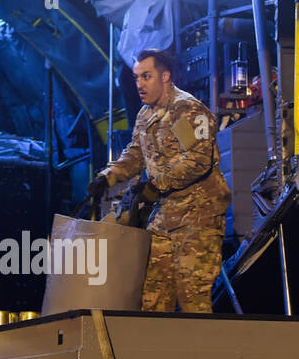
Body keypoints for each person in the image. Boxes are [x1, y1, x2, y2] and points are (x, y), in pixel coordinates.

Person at [87, 49, 231, 312]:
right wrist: (107, 177)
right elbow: (135, 154)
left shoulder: (184, 110)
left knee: (193, 301)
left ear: (165, 77)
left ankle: (199, 353)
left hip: (197, 218)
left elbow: (198, 159)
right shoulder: (145, 115)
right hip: (165, 218)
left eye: (146, 76)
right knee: (152, 301)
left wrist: (156, 185)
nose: (139, 84)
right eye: (136, 77)